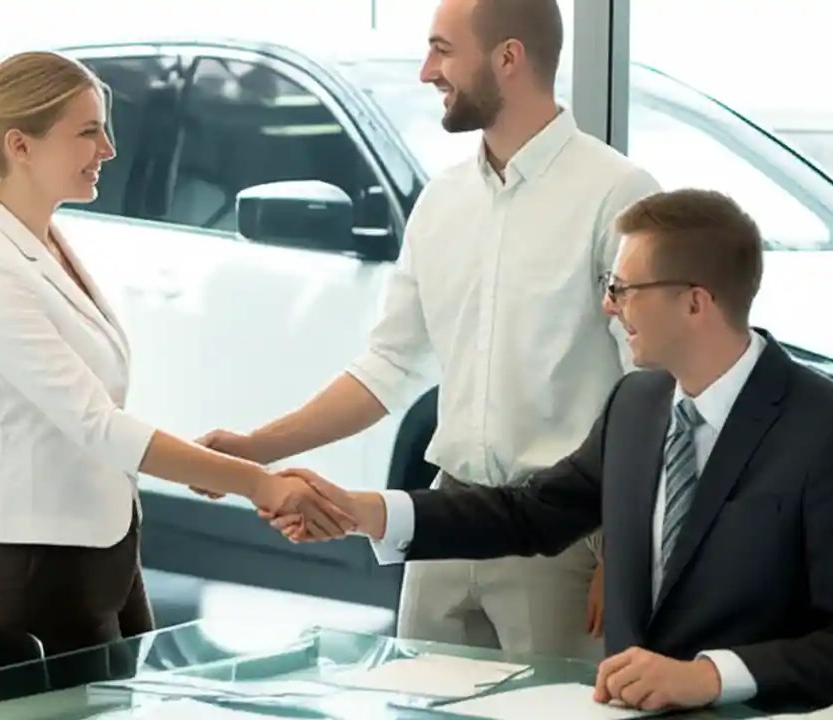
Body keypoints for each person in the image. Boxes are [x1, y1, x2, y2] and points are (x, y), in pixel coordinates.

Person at [269, 189, 833, 712]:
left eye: (625, 287)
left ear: (695, 302)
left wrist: (709, 677)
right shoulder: (637, 403)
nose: (609, 305)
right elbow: (532, 514)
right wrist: (366, 511)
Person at [198, 0, 659, 660]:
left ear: (508, 58)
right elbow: (387, 367)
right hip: (444, 523)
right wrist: (254, 447)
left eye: (443, 50)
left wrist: (625, 550)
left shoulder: (617, 194)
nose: (426, 71)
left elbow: (649, 389)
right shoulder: (443, 203)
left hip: (562, 544)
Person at [0, 51, 354, 659]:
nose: (106, 148)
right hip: (38, 569)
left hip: (105, 548)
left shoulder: (46, 239)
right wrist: (257, 484)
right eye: (87, 132)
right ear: (20, 146)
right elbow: (97, 425)